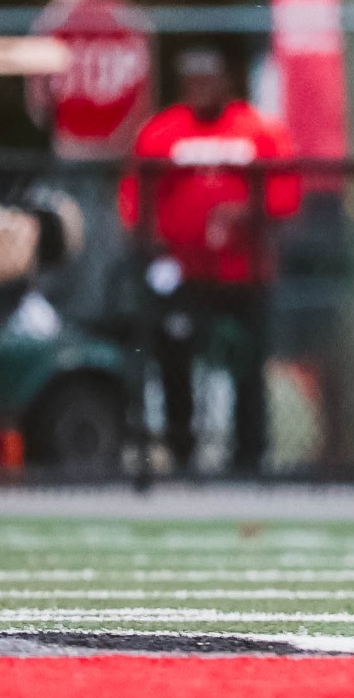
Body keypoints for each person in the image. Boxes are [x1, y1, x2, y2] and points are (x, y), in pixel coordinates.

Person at [119, 47, 299, 473]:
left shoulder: (257, 131)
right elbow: (134, 203)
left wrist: (244, 216)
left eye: (208, 80)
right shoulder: (162, 133)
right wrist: (161, 247)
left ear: (225, 83)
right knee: (175, 359)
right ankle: (182, 451)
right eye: (192, 82)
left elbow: (285, 196)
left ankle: (249, 457)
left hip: (244, 273)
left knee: (247, 364)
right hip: (184, 273)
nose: (200, 90)